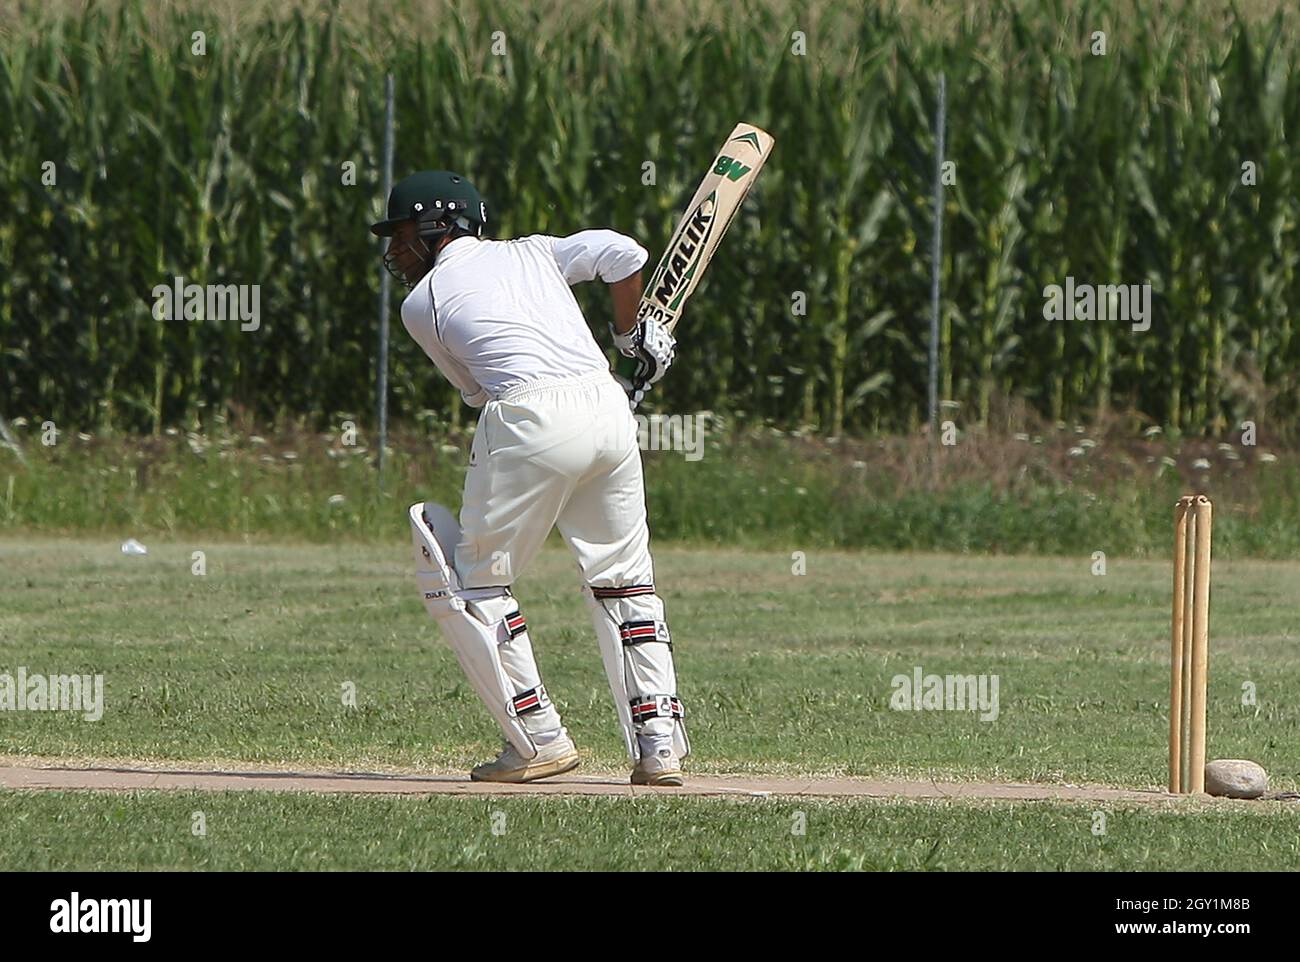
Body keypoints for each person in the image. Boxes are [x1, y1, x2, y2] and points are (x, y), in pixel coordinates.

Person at [371, 170, 689, 785]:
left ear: (439, 225)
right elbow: (626, 255)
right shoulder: (535, 251)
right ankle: (660, 748)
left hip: (524, 415)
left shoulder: (422, 304)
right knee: (626, 583)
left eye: (403, 232)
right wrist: (632, 338)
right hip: (605, 405)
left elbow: (477, 390)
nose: (394, 250)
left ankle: (538, 739)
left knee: (475, 580)